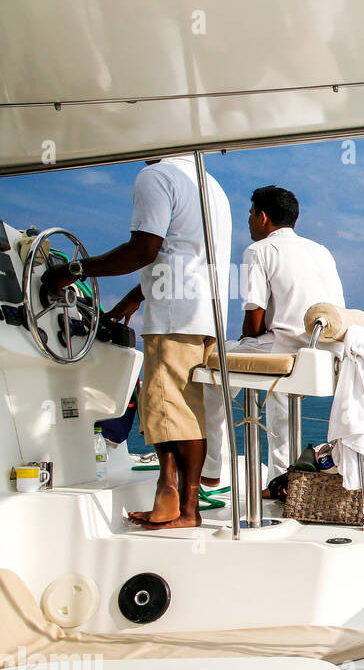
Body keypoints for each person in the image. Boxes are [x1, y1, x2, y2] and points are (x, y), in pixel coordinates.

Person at [41, 156, 232, 529]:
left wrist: (71, 271)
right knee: (184, 413)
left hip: (174, 317)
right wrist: (136, 295)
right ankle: (172, 497)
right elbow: (183, 254)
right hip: (205, 314)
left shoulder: (156, 176)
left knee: (167, 408)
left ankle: (185, 509)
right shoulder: (208, 182)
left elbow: (144, 249)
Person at [209, 186, 346, 486]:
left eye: (250, 214)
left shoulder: (258, 251)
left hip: (284, 349)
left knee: (212, 368)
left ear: (263, 216)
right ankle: (281, 482)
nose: (248, 221)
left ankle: (210, 468)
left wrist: (246, 337)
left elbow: (254, 318)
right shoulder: (321, 251)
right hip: (324, 351)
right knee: (277, 401)